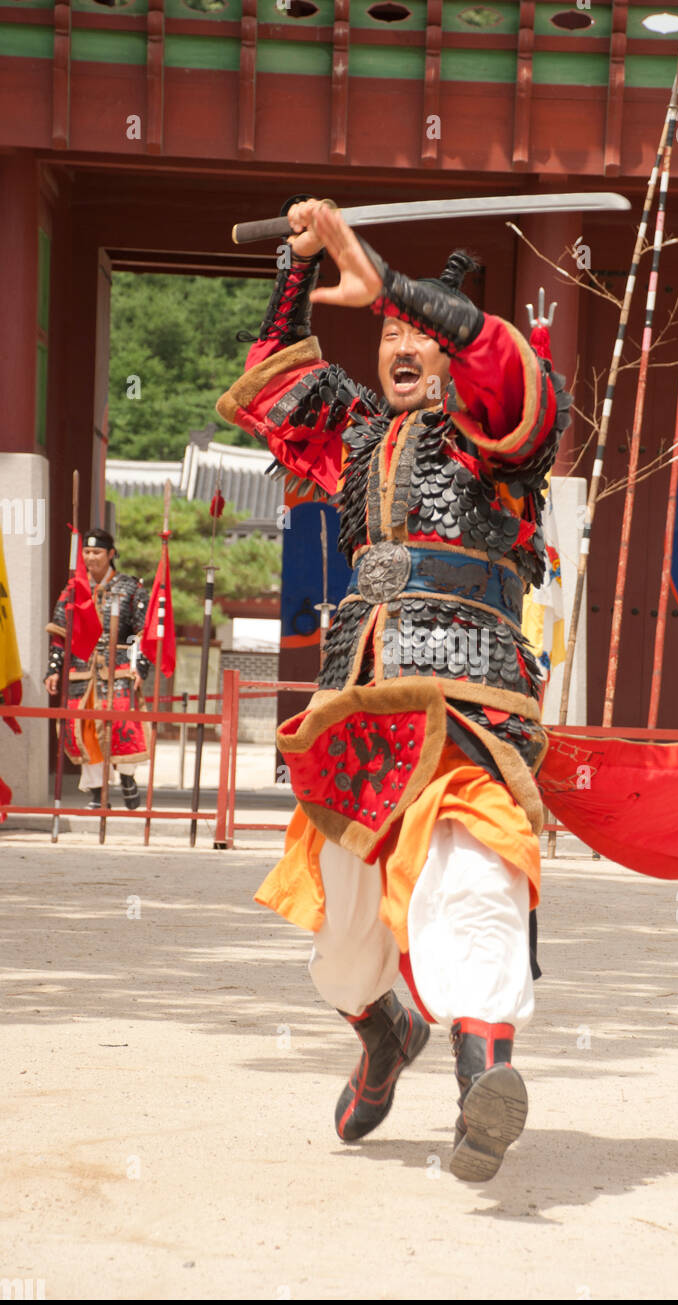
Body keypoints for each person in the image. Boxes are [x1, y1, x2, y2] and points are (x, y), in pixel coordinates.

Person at [217, 198, 571, 1182]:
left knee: (477, 873)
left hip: (470, 705)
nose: (403, 345)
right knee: (345, 927)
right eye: (388, 334)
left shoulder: (498, 433)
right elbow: (272, 383)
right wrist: (296, 268)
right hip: (360, 706)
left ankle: (482, 1084)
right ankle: (384, 1037)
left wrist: (387, 280)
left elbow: (510, 367)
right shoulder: (357, 438)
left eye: (420, 331)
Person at [44, 529, 151, 810]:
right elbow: (59, 635)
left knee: (120, 726)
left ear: (111, 554)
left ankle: (127, 778)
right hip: (81, 668)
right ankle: (97, 792)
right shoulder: (73, 589)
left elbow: (142, 633)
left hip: (118, 667)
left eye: (97, 552)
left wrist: (139, 666)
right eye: (87, 552)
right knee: (85, 729)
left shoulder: (131, 588)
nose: (91, 557)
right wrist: (54, 669)